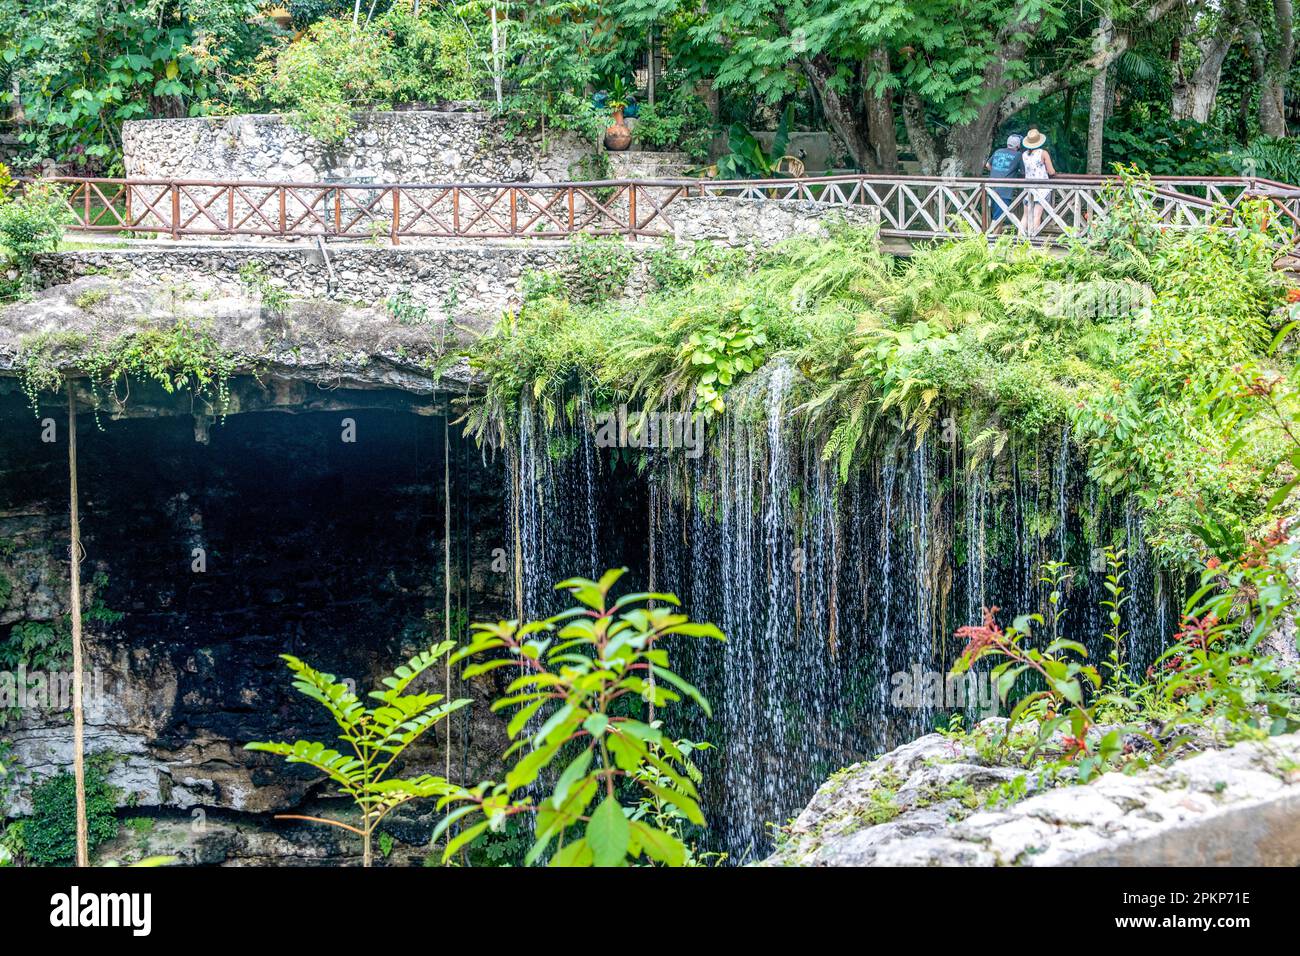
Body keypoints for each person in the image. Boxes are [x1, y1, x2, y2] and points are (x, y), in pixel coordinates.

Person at [1020, 128, 1057, 238]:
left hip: (1028, 188)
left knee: (1026, 216)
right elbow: (1051, 171)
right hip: (1042, 189)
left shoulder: (1024, 155)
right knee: (1037, 216)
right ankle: (1034, 240)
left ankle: (1019, 239)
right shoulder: (1043, 153)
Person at [984, 134, 1024, 229]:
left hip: (991, 187)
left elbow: (987, 165)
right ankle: (989, 240)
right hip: (1004, 191)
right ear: (1018, 146)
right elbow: (1023, 172)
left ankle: (995, 239)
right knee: (998, 217)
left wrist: (997, 171)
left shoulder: (998, 151)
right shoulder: (1018, 155)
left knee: (998, 215)